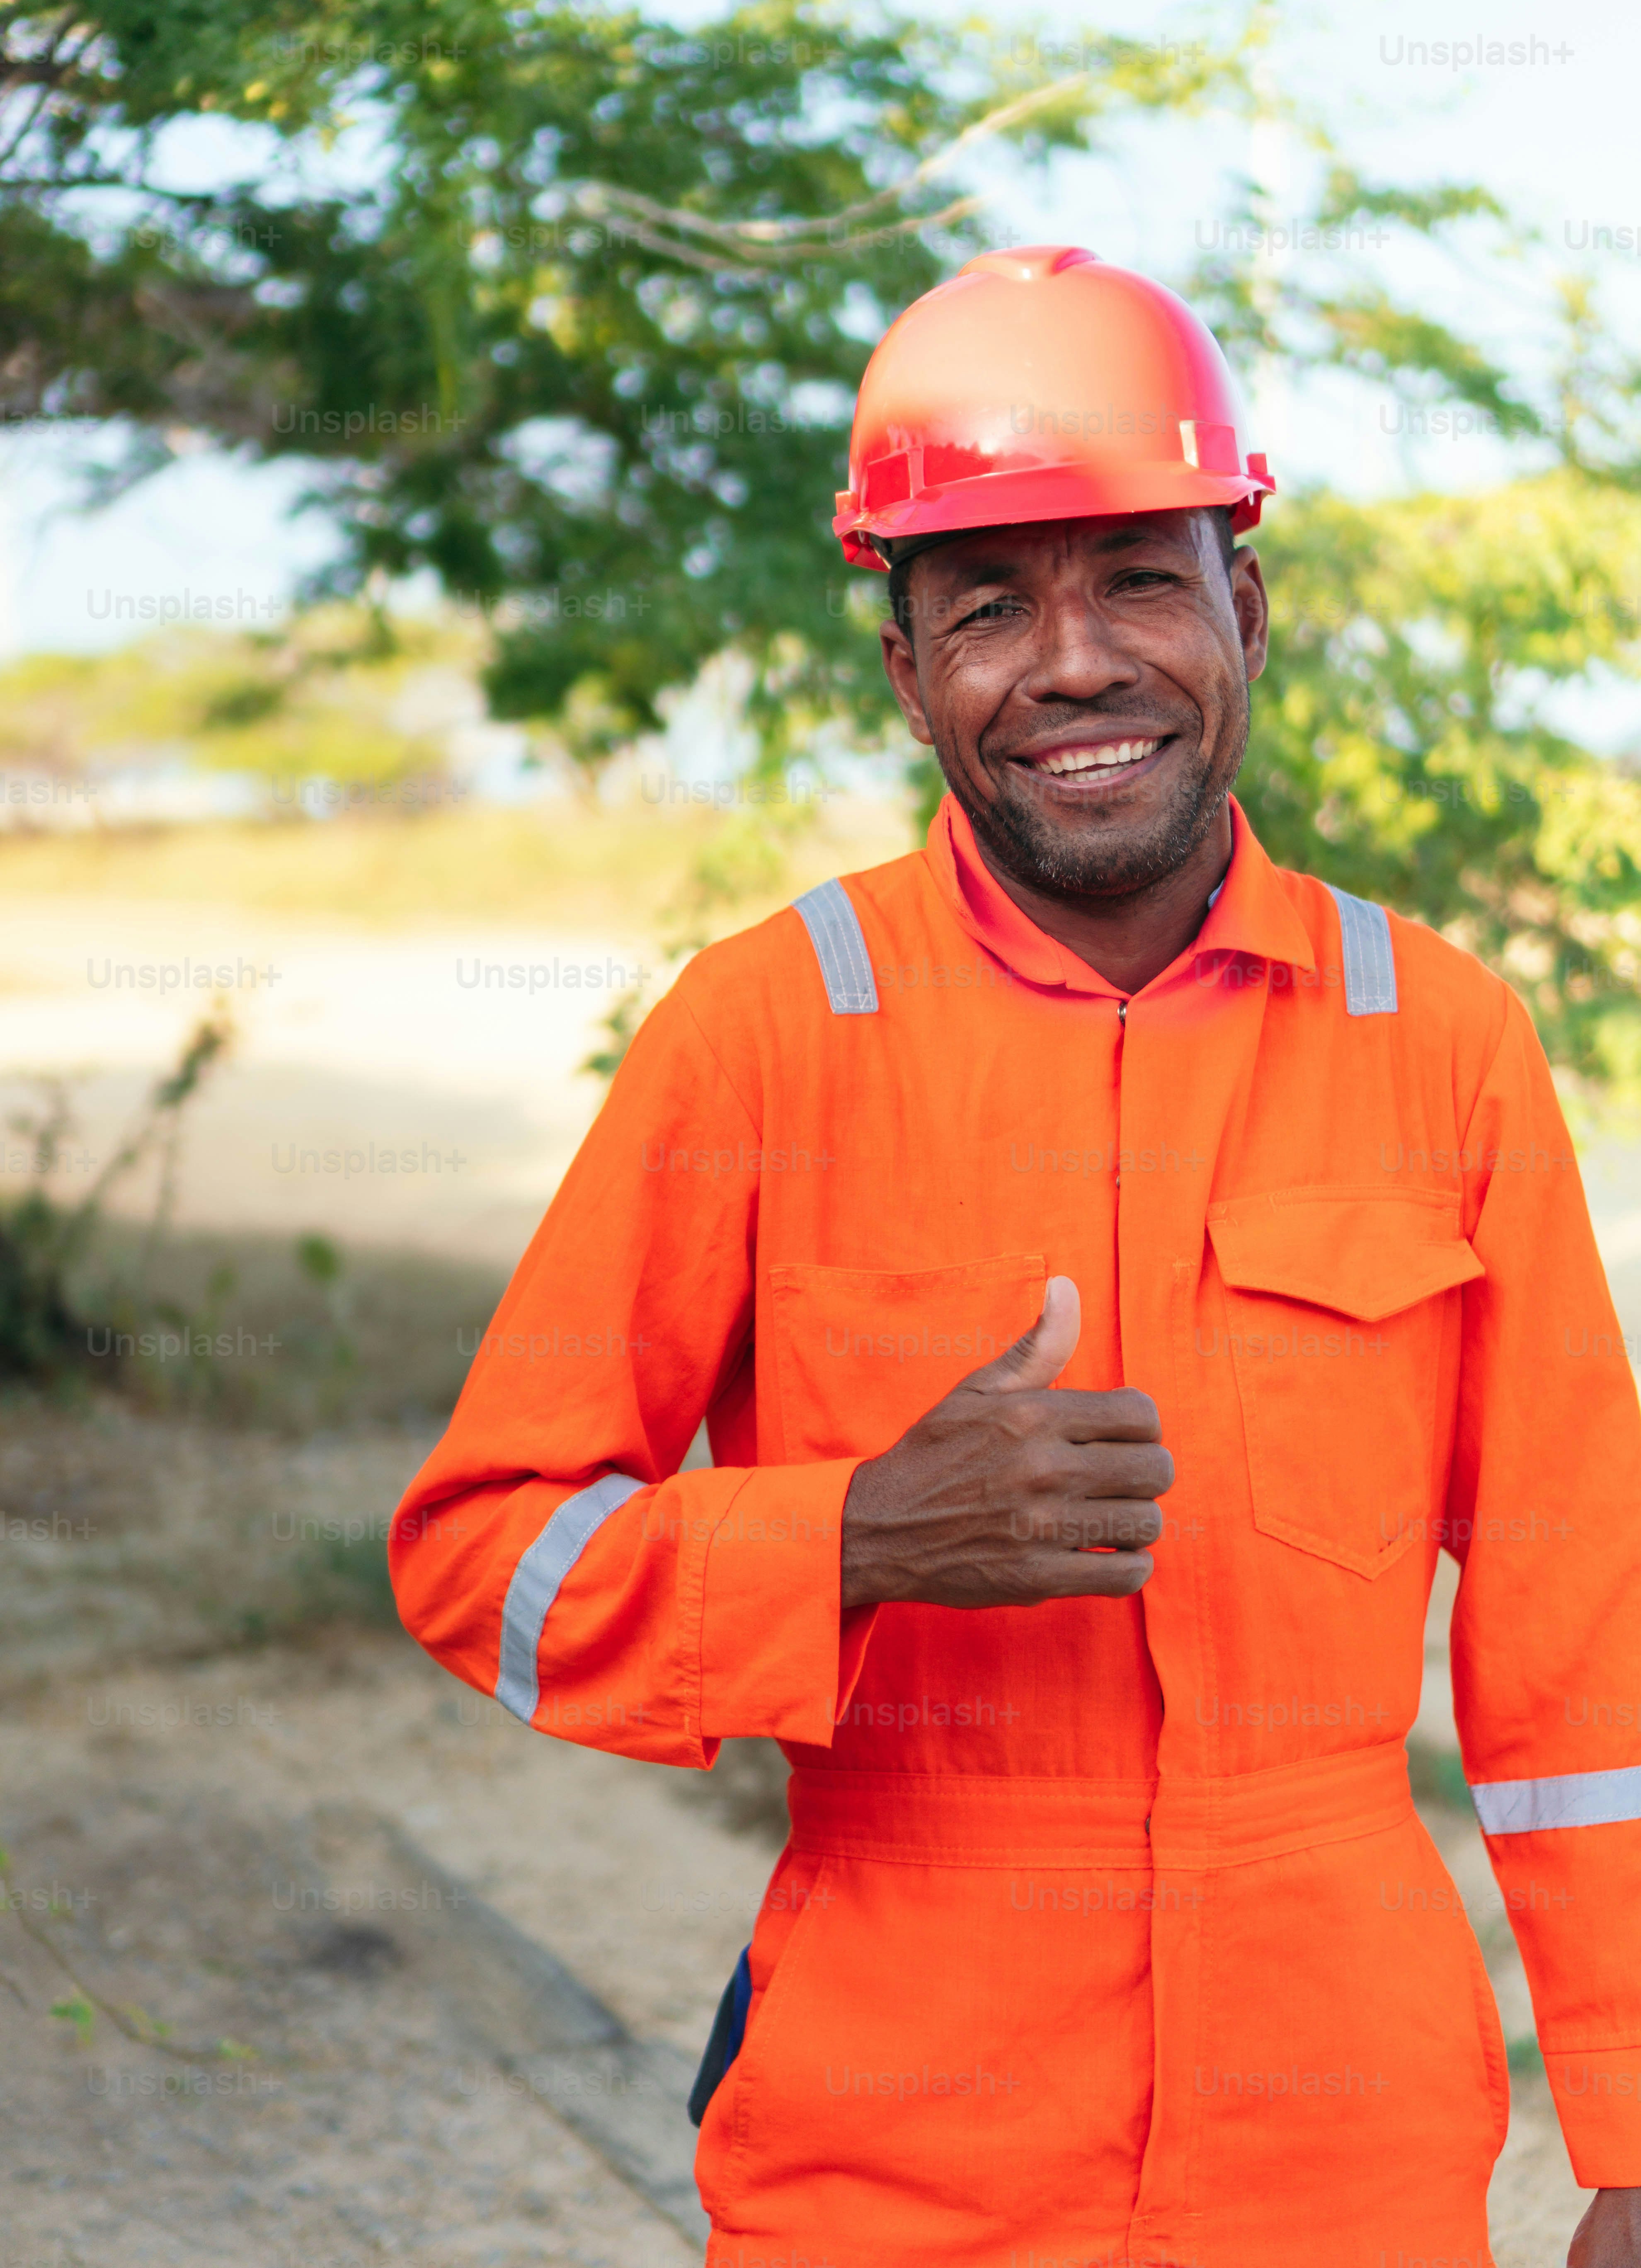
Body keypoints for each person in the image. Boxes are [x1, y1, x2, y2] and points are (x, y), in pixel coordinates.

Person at [391, 245, 1641, 2267]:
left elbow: (1596, 1635)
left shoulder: (1445, 1042)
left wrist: (1637, 2132)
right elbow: (480, 1562)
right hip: (892, 2156)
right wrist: (855, 1536)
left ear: (1247, 605)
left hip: (1342, 2159)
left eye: (1139, 577)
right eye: (989, 605)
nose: (1073, 664)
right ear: (908, 675)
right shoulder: (765, 1031)